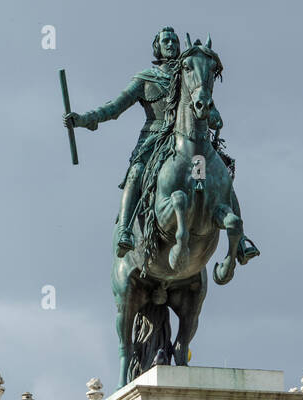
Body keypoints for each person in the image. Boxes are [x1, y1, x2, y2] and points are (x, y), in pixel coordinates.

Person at [64, 27, 253, 261]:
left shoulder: (189, 73)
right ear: (158, 46)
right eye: (166, 40)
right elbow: (114, 107)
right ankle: (125, 230)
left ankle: (241, 239)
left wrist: (212, 113)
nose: (172, 44)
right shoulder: (146, 78)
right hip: (153, 139)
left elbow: (210, 111)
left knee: (217, 176)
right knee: (136, 172)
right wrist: (84, 119)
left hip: (190, 143)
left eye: (174, 40)